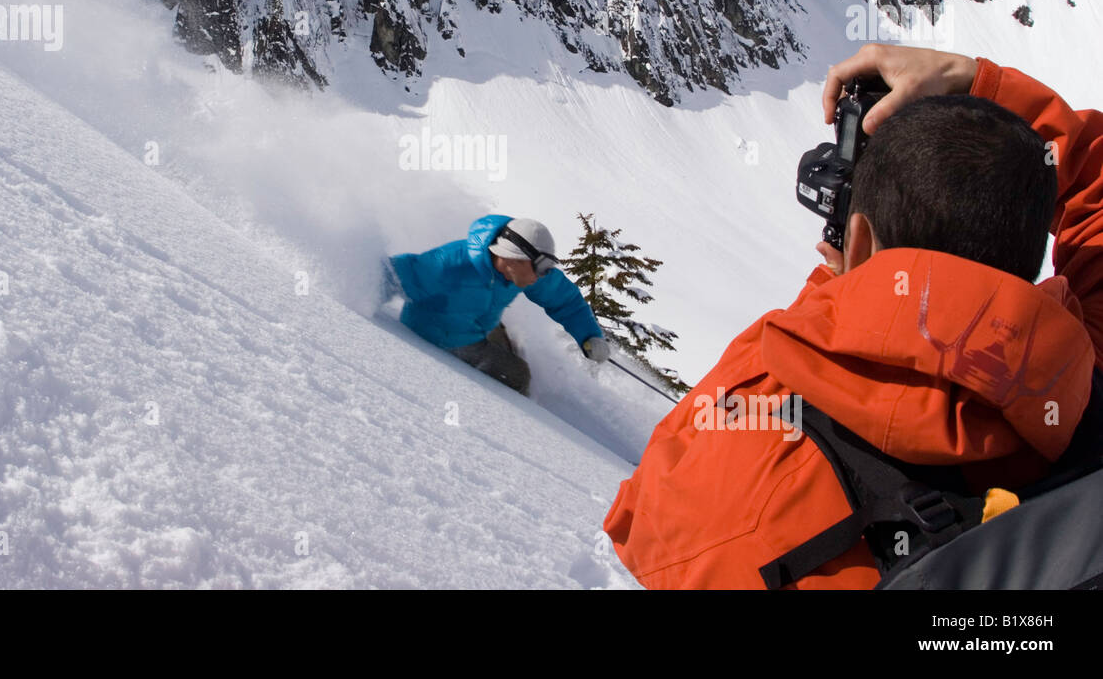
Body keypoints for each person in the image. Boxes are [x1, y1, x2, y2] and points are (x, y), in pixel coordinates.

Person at [604, 43, 1103, 588]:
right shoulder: (1084, 389)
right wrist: (978, 84)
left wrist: (840, 287)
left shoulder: (736, 485)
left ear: (859, 241)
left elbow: (636, 522)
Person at [385, 215, 609, 395]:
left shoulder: (522, 273)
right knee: (518, 375)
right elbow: (388, 274)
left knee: (511, 345)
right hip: (442, 340)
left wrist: (590, 335)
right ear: (514, 258)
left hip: (478, 325)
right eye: (542, 266)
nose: (544, 274)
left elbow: (564, 298)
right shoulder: (447, 266)